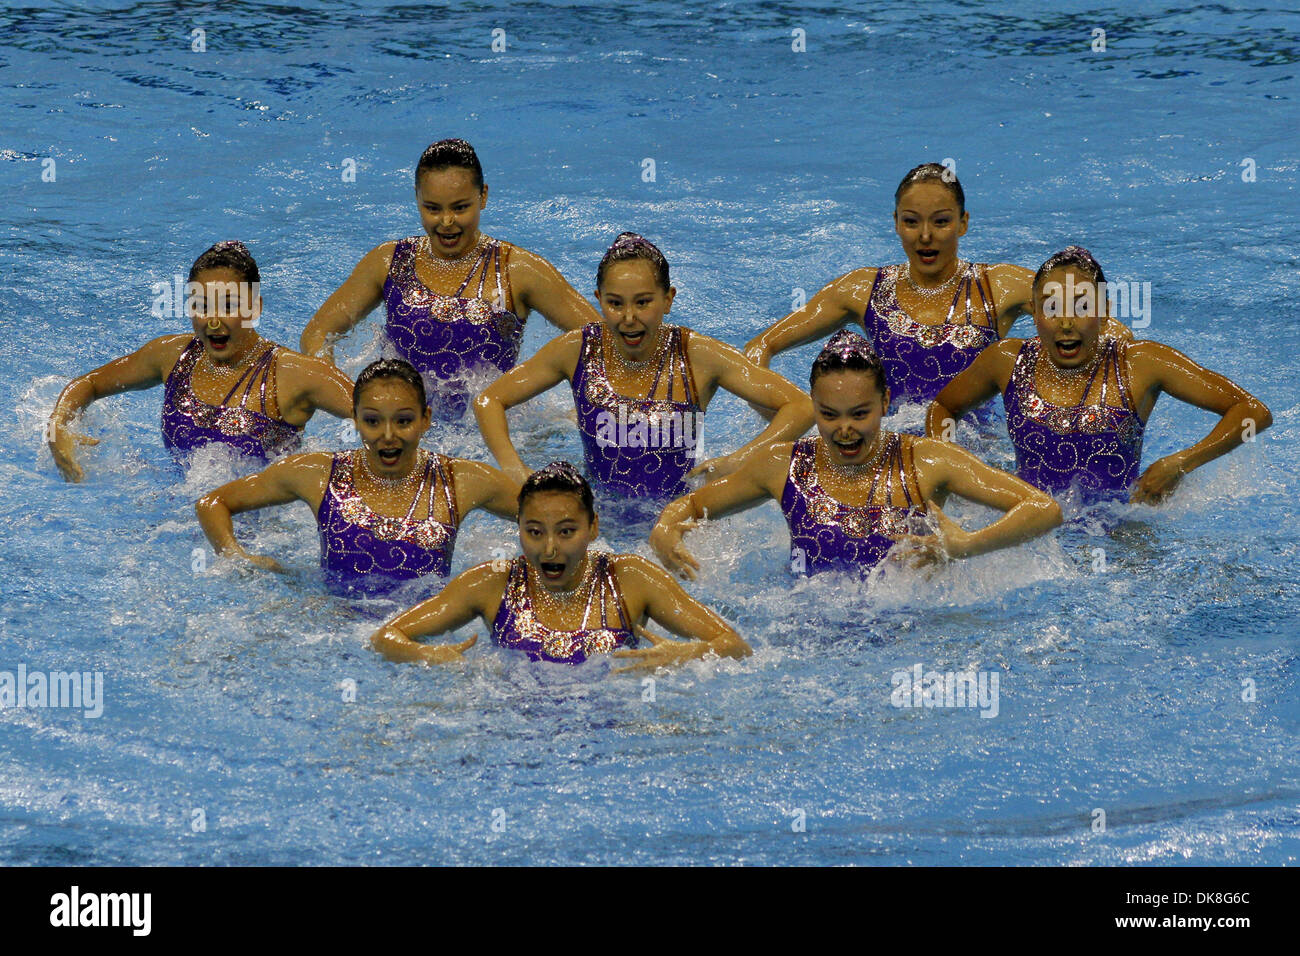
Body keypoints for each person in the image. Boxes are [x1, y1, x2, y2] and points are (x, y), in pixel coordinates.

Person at [651, 330, 1062, 579]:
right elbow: (689, 506)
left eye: (859, 414)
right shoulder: (782, 465)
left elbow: (1043, 508)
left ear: (885, 403)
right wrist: (664, 530)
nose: (844, 429)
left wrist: (967, 545)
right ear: (813, 406)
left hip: (911, 636)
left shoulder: (929, 462)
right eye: (828, 415)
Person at [743, 162, 1132, 418]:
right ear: (895, 223)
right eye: (912, 222)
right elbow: (760, 348)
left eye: (941, 222)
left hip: (980, 458)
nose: (926, 236)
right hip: (890, 455)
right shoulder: (862, 290)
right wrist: (791, 421)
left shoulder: (1000, 286)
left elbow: (1106, 328)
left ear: (963, 223)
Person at [474, 232, 813, 503]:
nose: (629, 318)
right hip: (596, 514)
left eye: (643, 302)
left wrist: (737, 462)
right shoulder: (577, 349)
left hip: (676, 514)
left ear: (668, 299)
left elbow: (800, 406)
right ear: (599, 298)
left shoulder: (698, 356)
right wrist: (515, 470)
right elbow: (490, 401)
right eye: (615, 304)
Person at [926, 246, 1272, 505]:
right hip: (1030, 530)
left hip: (1121, 530)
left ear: (1105, 309)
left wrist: (1180, 463)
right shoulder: (1006, 360)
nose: (1066, 322)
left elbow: (1252, 412)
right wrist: (954, 474)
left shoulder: (1140, 364)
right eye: (1051, 307)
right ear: (1034, 311)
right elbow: (943, 406)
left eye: (1081, 306)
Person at [300, 138, 602, 420]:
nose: (446, 222)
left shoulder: (519, 271)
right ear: (416, 199)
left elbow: (599, 341)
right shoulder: (388, 263)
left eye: (460, 207)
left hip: (486, 433)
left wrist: (583, 408)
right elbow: (318, 333)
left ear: (483, 196)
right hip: (404, 435)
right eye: (432, 208)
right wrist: (360, 408)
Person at [370, 461, 752, 669]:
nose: (549, 548)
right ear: (518, 528)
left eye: (566, 532)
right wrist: (431, 657)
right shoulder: (490, 583)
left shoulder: (631, 578)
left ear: (592, 527)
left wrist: (683, 655)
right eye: (534, 532)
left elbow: (735, 645)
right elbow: (386, 638)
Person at [196, 359, 519, 595]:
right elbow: (213, 502)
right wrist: (235, 556)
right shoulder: (316, 474)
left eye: (404, 421)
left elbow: (557, 516)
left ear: (426, 420)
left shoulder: (461, 480)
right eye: (373, 421)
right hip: (331, 627)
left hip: (423, 634)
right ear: (355, 419)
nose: (388, 435)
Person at [48, 241, 354, 480]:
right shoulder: (173, 355)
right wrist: (59, 426)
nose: (213, 320)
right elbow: (89, 384)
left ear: (255, 308)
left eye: (229, 306)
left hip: (268, 537)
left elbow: (383, 413)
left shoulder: (290, 373)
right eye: (202, 306)